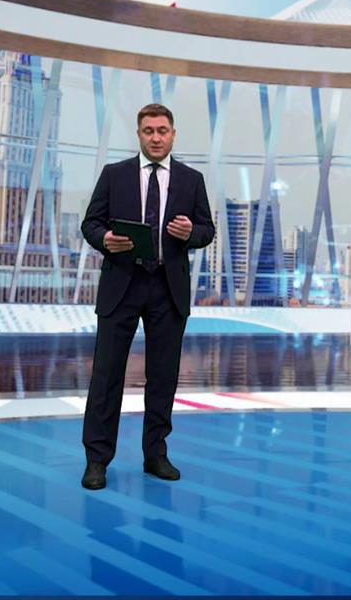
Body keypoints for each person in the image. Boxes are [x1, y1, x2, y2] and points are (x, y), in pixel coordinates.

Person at [79, 103, 215, 490]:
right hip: (122, 284)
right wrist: (105, 239)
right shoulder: (114, 175)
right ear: (139, 135)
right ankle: (96, 461)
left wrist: (191, 233)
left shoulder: (191, 180)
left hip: (167, 290)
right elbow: (90, 223)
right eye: (149, 131)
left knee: (163, 377)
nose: (156, 138)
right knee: (106, 376)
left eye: (162, 131)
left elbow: (207, 230)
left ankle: (155, 454)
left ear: (173, 135)